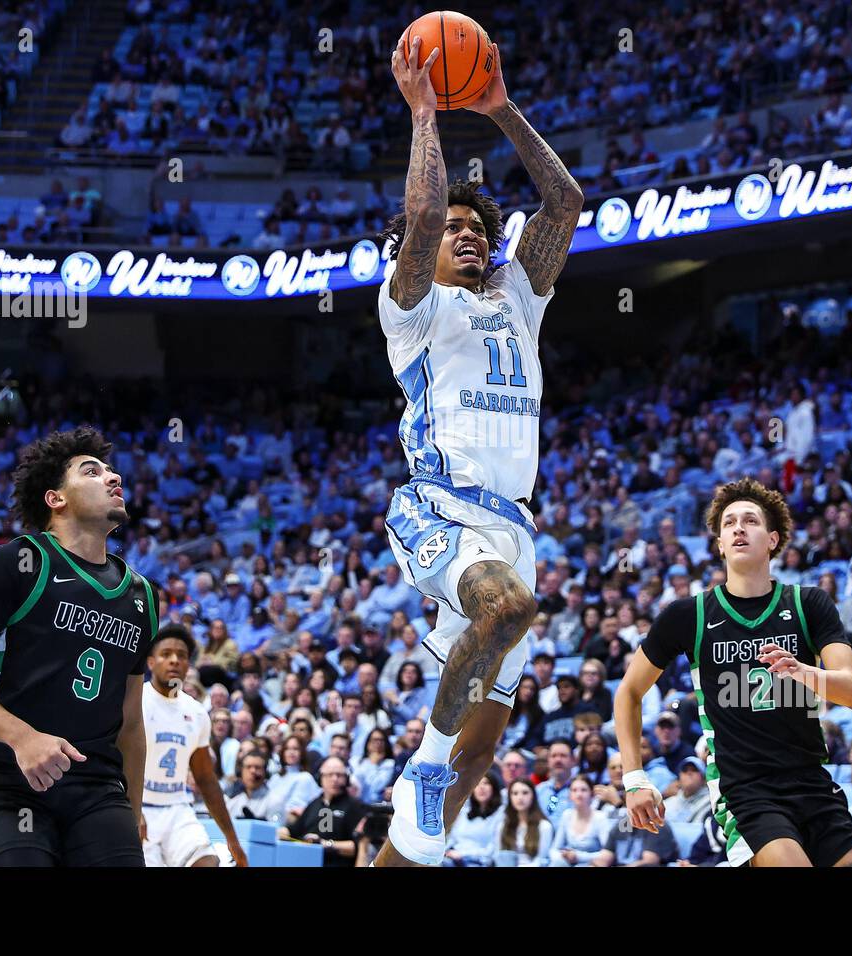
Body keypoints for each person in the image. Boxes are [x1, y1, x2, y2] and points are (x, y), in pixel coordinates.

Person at [374, 32, 583, 868]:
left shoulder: (518, 298)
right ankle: (420, 771)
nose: (463, 234)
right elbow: (422, 215)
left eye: (476, 229)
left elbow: (563, 200)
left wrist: (498, 108)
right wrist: (426, 112)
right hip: (439, 504)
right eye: (451, 230)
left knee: (483, 751)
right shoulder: (412, 309)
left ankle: (405, 842)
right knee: (506, 612)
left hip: (513, 527)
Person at [0, 427, 158, 867]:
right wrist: (23, 738)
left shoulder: (141, 595)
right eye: (92, 472)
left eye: (112, 471)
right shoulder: (16, 564)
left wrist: (132, 815)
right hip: (0, 777)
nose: (113, 478)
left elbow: (130, 723)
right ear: (56, 499)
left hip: (95, 788)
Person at [617, 478, 852, 866]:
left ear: (772, 539)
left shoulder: (809, 603)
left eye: (750, 520)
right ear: (719, 544)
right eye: (729, 523)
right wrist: (634, 779)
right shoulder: (689, 615)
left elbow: (851, 693)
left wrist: (802, 671)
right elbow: (629, 693)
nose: (738, 528)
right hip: (744, 788)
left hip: (811, 779)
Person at [141, 624, 247, 867]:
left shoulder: (197, 712)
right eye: (166, 654)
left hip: (177, 807)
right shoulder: (137, 700)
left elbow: (205, 779)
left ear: (189, 665)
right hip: (139, 805)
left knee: (208, 862)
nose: (174, 661)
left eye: (182, 656)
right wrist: (131, 809)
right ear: (150, 662)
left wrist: (232, 839)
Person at [281, 755, 366, 867]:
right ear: (320, 777)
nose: (334, 779)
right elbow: (294, 831)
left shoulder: (354, 806)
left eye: (339, 775)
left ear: (346, 778)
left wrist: (324, 844)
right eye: (330, 775)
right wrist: (279, 832)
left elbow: (358, 847)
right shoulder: (314, 804)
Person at [548, 774, 612, 866]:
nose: (579, 794)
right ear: (570, 795)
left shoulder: (600, 817)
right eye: (574, 790)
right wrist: (562, 857)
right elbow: (554, 849)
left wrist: (578, 856)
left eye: (583, 790)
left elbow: (607, 854)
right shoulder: (567, 815)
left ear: (592, 794)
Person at [444, 770, 502, 866]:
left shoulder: (500, 814)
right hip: (454, 858)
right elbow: (452, 839)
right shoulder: (464, 813)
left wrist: (463, 855)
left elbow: (493, 849)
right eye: (477, 783)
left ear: (494, 788)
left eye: (486, 783)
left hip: (480, 861)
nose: (481, 787)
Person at [493, 779, 552, 866]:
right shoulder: (502, 826)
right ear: (510, 797)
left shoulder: (544, 826)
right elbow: (498, 856)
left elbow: (541, 860)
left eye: (525, 793)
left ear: (533, 796)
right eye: (515, 793)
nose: (520, 798)